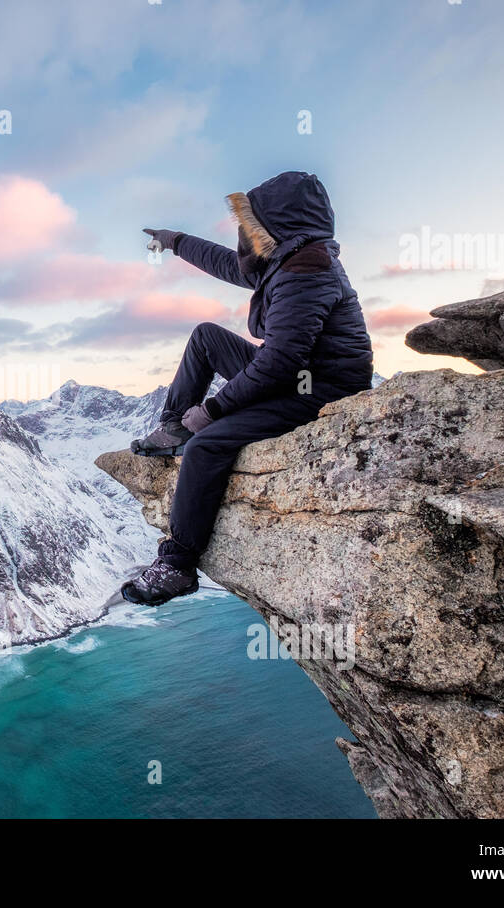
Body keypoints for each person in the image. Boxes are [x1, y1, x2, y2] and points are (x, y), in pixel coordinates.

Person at [123, 171, 373, 606]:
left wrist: (214, 411)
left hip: (320, 389)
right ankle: (173, 428)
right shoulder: (287, 260)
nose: (247, 236)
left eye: (253, 225)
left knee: (208, 447)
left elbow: (280, 363)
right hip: (298, 373)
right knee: (206, 337)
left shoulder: (307, 271)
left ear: (279, 224)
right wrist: (175, 239)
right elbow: (227, 264)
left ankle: (178, 564)